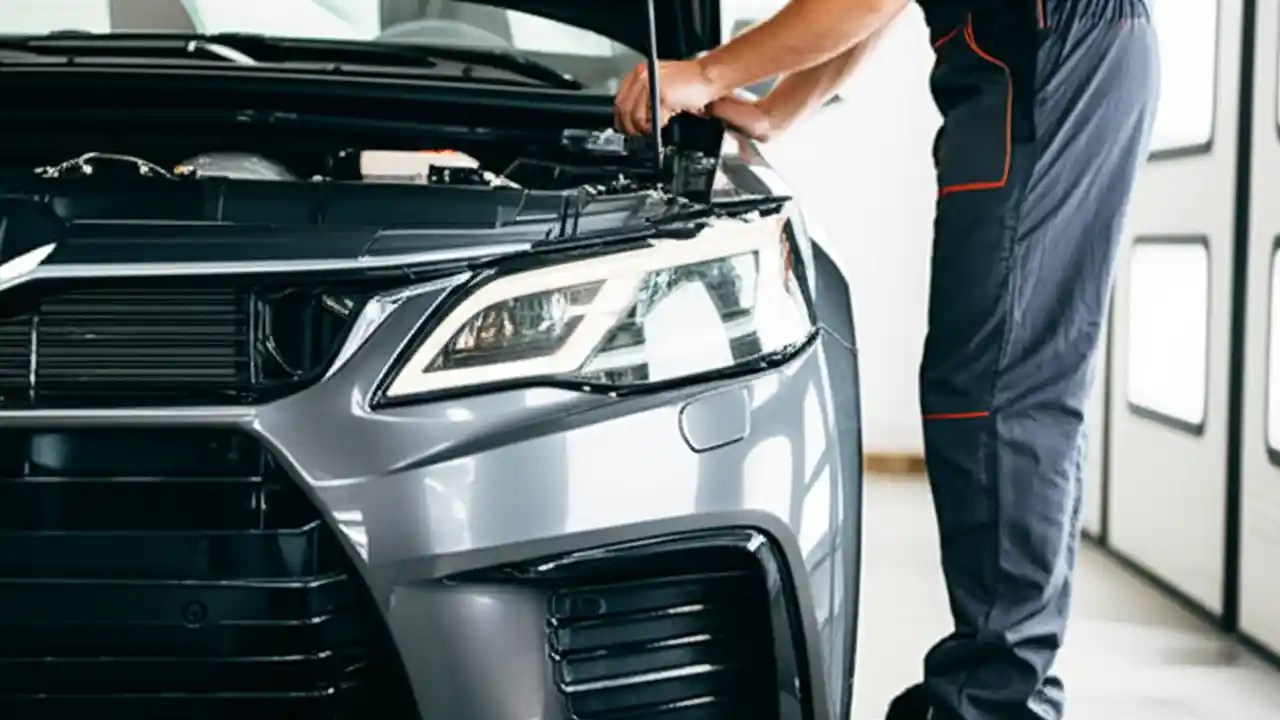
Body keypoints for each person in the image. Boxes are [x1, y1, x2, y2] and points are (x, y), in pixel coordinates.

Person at [613, 1, 1160, 719]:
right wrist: (778, 110)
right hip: (1032, 57)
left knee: (998, 395)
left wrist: (711, 72)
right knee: (990, 387)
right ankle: (992, 687)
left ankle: (999, 702)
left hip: (1044, 56)